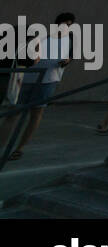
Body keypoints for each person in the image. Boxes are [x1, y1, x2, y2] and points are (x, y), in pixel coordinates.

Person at [0, 13, 76, 160]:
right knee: (13, 113)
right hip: (27, 78)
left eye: (69, 24)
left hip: (48, 81)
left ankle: (19, 148)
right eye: (63, 23)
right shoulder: (44, 37)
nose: (66, 27)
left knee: (35, 114)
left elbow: (70, 57)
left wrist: (66, 61)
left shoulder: (70, 41)